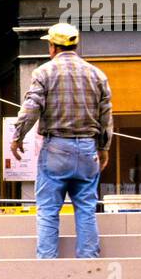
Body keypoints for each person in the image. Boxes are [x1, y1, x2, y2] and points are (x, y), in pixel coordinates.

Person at [10, 21, 114, 259]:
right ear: (76, 46)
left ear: (52, 48)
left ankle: (47, 266)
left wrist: (18, 136)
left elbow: (31, 107)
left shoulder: (44, 72)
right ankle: (88, 263)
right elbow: (106, 116)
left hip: (56, 147)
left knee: (48, 210)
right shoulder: (97, 75)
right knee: (86, 208)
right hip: (88, 148)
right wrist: (104, 148)